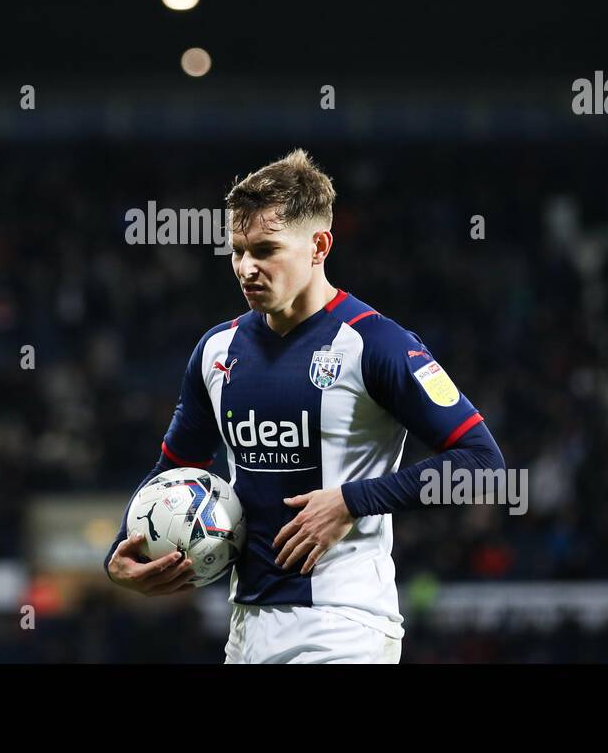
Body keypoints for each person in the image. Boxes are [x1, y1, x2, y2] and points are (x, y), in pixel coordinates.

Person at [104, 149, 506, 663]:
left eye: (266, 250)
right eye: (238, 250)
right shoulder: (216, 351)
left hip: (344, 626)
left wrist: (351, 501)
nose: (247, 268)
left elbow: (481, 462)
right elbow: (177, 467)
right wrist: (122, 551)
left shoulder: (376, 344)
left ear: (319, 245)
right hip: (246, 627)